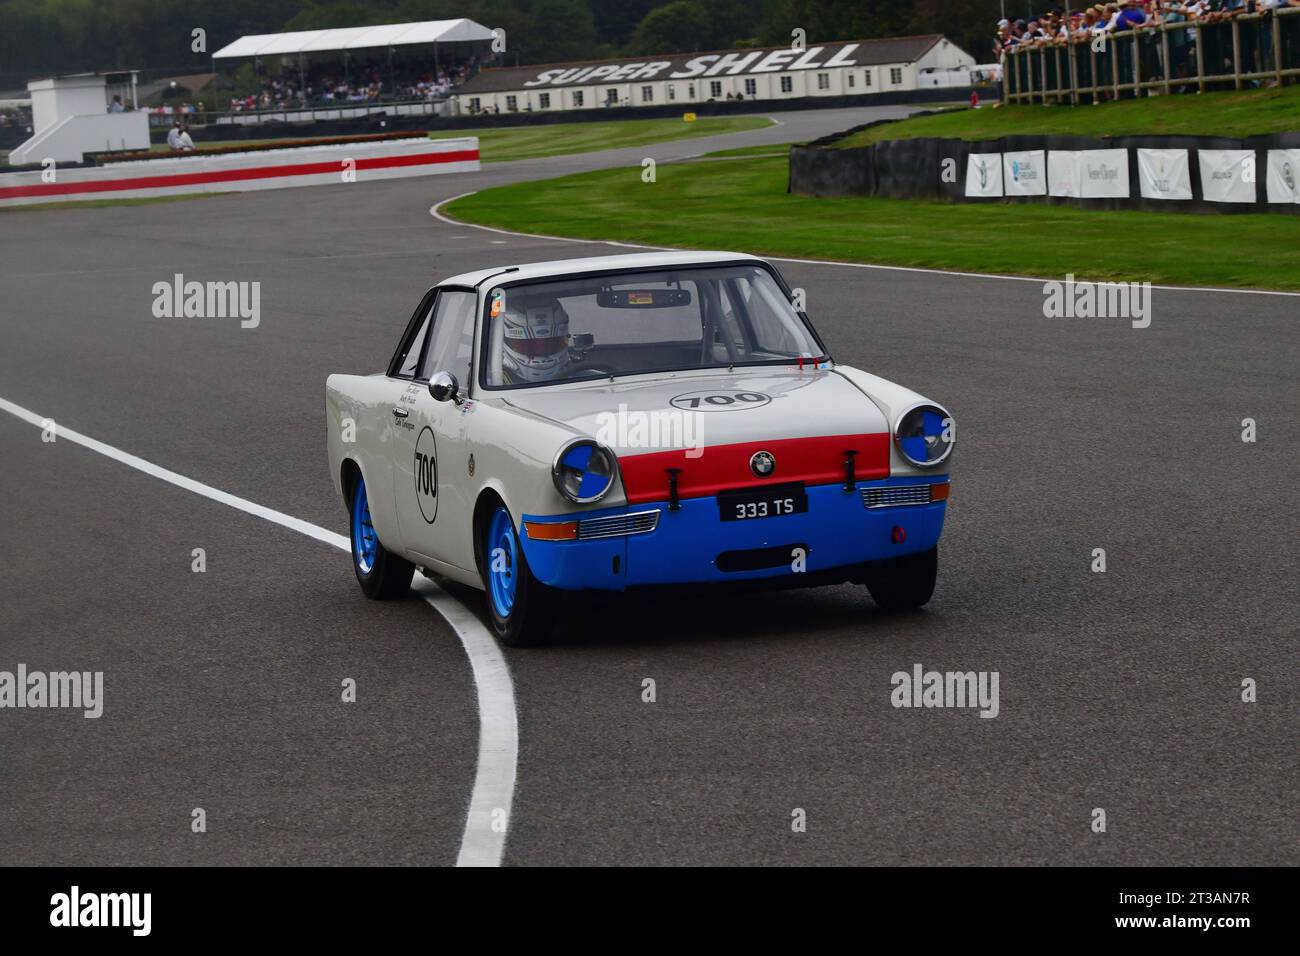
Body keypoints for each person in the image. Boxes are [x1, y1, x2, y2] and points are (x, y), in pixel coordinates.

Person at [499, 295, 572, 385]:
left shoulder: (583, 374)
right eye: (529, 346)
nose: (541, 353)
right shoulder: (491, 380)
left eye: (552, 344)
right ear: (502, 341)